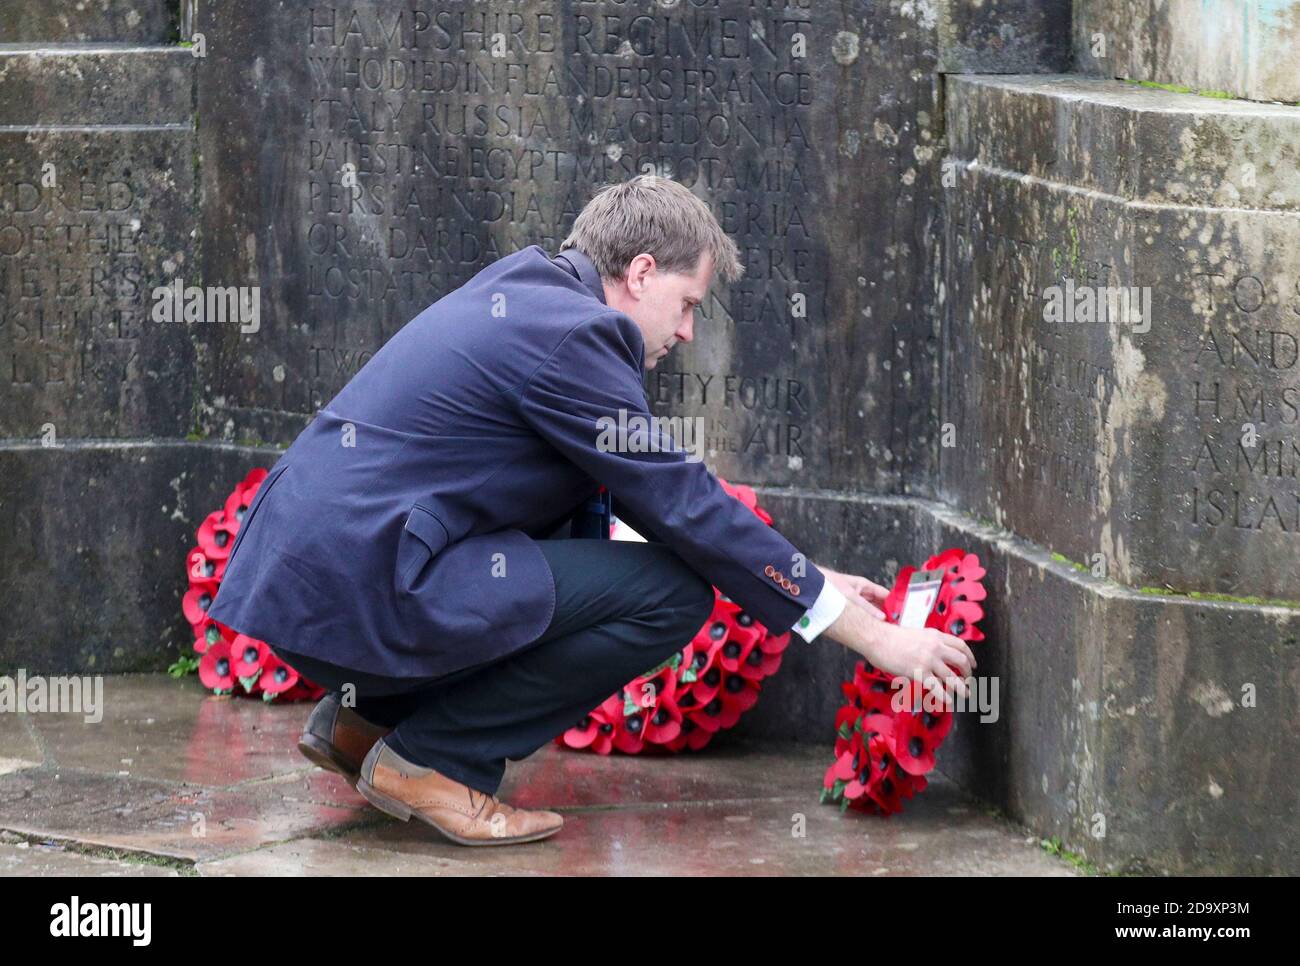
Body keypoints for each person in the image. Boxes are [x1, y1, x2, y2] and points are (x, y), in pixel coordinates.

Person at [207, 174, 975, 847]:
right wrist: (871, 635)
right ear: (642, 272)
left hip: (315, 589)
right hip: (367, 588)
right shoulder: (573, 335)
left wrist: (816, 579)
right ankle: (433, 760)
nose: (686, 331)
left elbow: (647, 511)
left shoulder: (535, 292)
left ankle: (360, 722)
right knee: (670, 597)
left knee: (583, 561)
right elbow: (684, 504)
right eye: (687, 304)